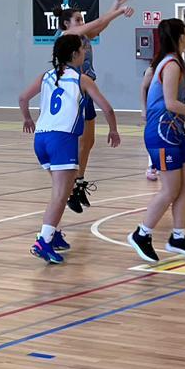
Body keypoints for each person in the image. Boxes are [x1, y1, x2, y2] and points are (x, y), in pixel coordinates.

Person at [19, 33, 118, 264]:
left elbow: (23, 98)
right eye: (83, 50)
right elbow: (107, 108)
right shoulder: (82, 79)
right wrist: (113, 130)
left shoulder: (45, 76)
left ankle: (53, 233)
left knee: (62, 190)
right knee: (60, 193)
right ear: (74, 54)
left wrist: (27, 119)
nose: (85, 53)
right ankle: (43, 241)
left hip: (41, 138)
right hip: (62, 139)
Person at [128, 19, 185, 262]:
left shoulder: (176, 61)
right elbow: (170, 103)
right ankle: (141, 234)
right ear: (180, 36)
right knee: (170, 189)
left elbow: (175, 104)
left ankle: (178, 237)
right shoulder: (171, 64)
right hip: (161, 132)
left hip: (175, 130)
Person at [57, 0, 134, 213]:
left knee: (89, 141)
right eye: (78, 19)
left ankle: (79, 182)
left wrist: (116, 3)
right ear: (67, 24)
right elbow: (99, 21)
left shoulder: (82, 36)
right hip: (74, 90)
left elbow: (100, 26)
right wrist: (120, 11)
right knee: (78, 140)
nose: (82, 22)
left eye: (82, 19)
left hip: (87, 88)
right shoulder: (67, 36)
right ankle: (69, 187)